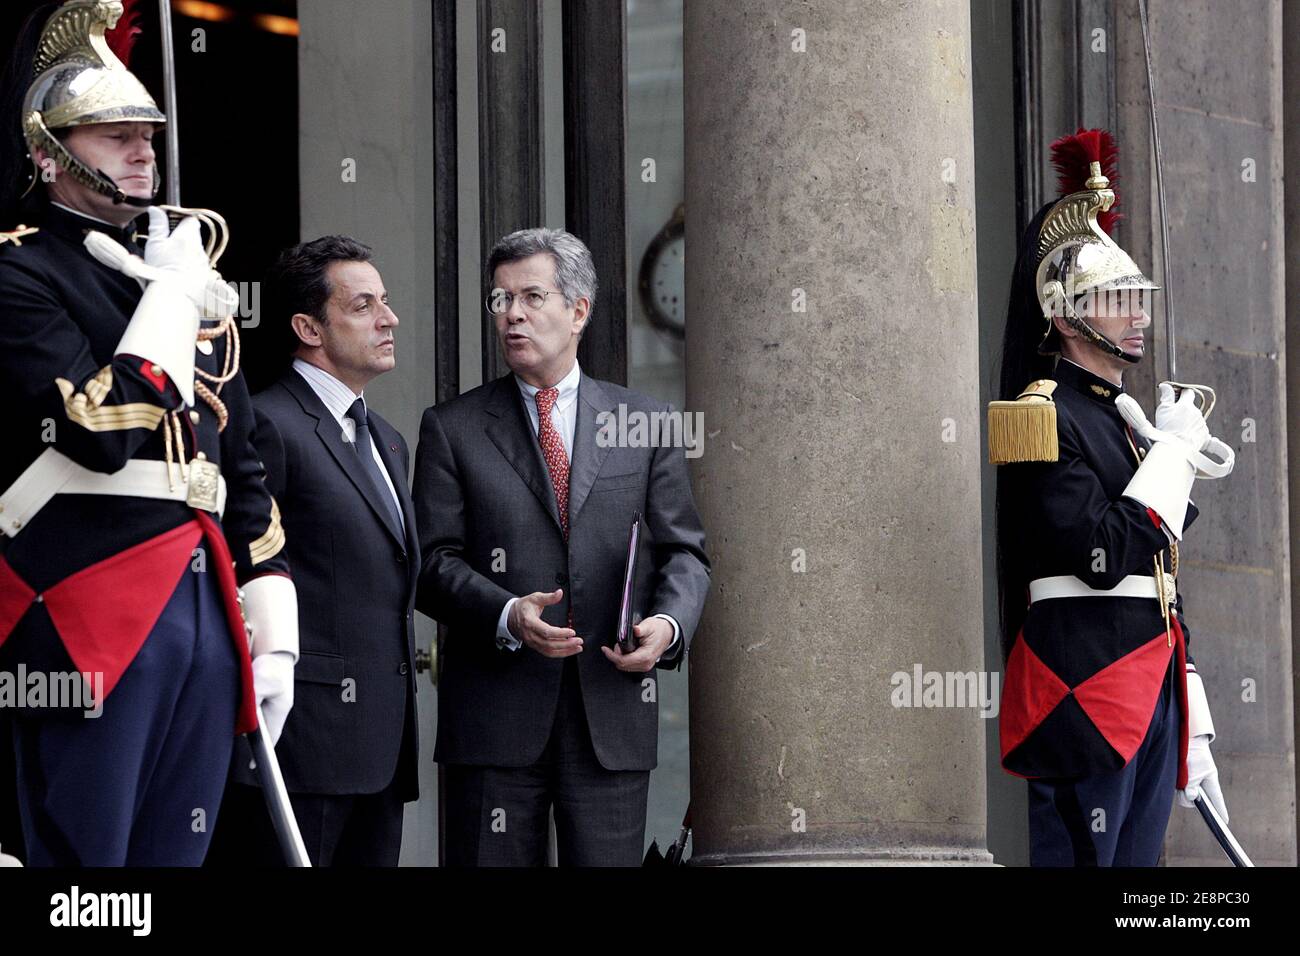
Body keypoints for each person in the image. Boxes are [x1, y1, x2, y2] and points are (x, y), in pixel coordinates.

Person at [0, 0, 296, 866]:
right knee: (84, 862)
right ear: (49, 153)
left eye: (148, 135)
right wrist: (168, 300)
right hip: (82, 605)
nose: (142, 152)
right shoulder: (21, 270)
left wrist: (272, 629)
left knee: (178, 851)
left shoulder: (174, 276)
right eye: (113, 135)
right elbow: (96, 427)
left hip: (204, 608)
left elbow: (242, 471)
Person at [414, 227, 710, 866]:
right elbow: (431, 565)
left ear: (578, 311)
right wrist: (506, 612)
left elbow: (685, 550)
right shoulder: (452, 428)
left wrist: (666, 624)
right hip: (494, 719)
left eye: (531, 296)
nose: (512, 314)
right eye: (500, 300)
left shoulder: (646, 423)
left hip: (609, 711)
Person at [991, 128, 1232, 866]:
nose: (1136, 314)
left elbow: (1160, 572)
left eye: (1137, 298)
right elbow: (1101, 552)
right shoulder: (1043, 413)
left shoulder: (1124, 421)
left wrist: (1187, 698)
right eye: (1116, 300)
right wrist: (1173, 460)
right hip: (1082, 686)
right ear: (1065, 316)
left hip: (1150, 683)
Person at [206, 236, 419, 866]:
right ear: (308, 327)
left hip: (383, 750)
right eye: (363, 305)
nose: (389, 318)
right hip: (301, 743)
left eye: (385, 301)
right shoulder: (268, 423)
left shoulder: (386, 437)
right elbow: (246, 566)